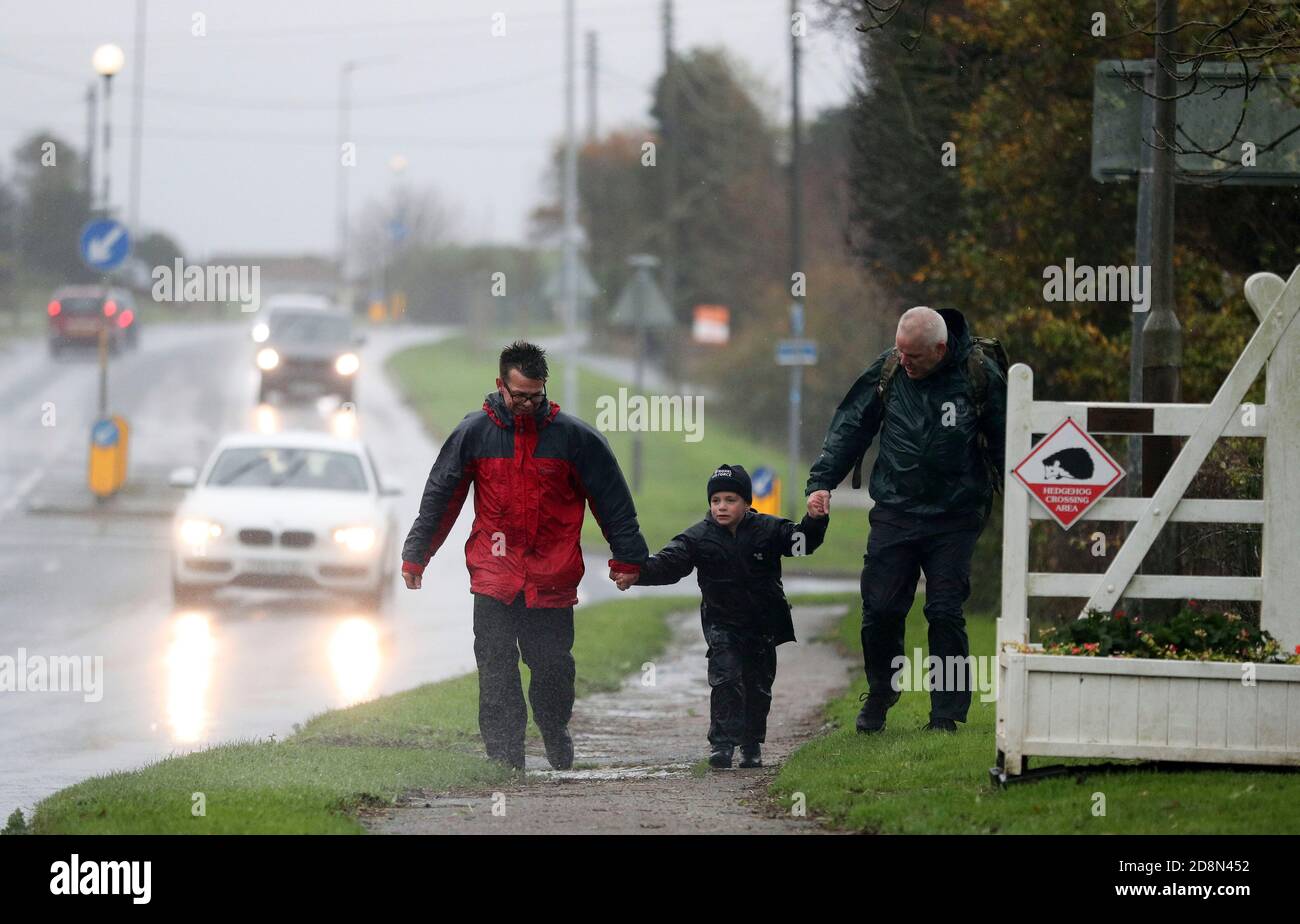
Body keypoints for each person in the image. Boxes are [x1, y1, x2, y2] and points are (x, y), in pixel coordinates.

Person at [401, 341, 648, 770]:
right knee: (496, 670)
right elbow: (441, 498)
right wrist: (417, 553)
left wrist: (627, 559)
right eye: (519, 396)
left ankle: (554, 728)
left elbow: (613, 503)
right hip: (494, 577)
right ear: (501, 386)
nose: (528, 404)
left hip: (551, 579)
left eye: (536, 395)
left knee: (552, 668)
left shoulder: (575, 439)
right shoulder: (473, 434)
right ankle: (506, 759)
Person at [805, 307, 1006, 734]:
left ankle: (946, 715)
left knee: (945, 612)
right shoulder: (890, 369)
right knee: (879, 608)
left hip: (956, 515)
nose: (905, 362)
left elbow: (1008, 440)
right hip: (896, 510)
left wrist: (1025, 503)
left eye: (913, 355)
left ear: (940, 348)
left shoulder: (978, 374)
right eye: (901, 352)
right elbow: (851, 425)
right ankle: (881, 692)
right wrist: (821, 482)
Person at [614, 464, 828, 769]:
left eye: (730, 500)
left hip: (762, 623)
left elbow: (803, 542)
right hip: (721, 623)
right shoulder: (698, 537)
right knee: (726, 679)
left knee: (757, 685)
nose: (722, 507)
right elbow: (668, 564)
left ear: (746, 502)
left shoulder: (768, 530)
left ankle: (751, 745)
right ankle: (722, 745)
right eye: (716, 501)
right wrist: (636, 574)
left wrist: (815, 519)